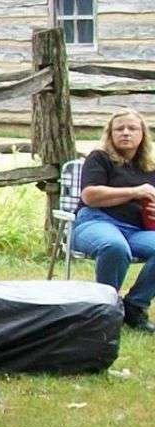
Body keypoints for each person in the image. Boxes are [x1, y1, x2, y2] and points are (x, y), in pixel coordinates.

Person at [72, 108, 155, 331]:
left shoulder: (150, 167)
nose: (125, 133)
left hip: (136, 229)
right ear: (110, 134)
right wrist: (136, 191)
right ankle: (105, 310)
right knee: (114, 246)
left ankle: (135, 306)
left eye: (132, 128)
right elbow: (89, 196)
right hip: (95, 221)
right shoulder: (99, 158)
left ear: (142, 134)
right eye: (119, 129)